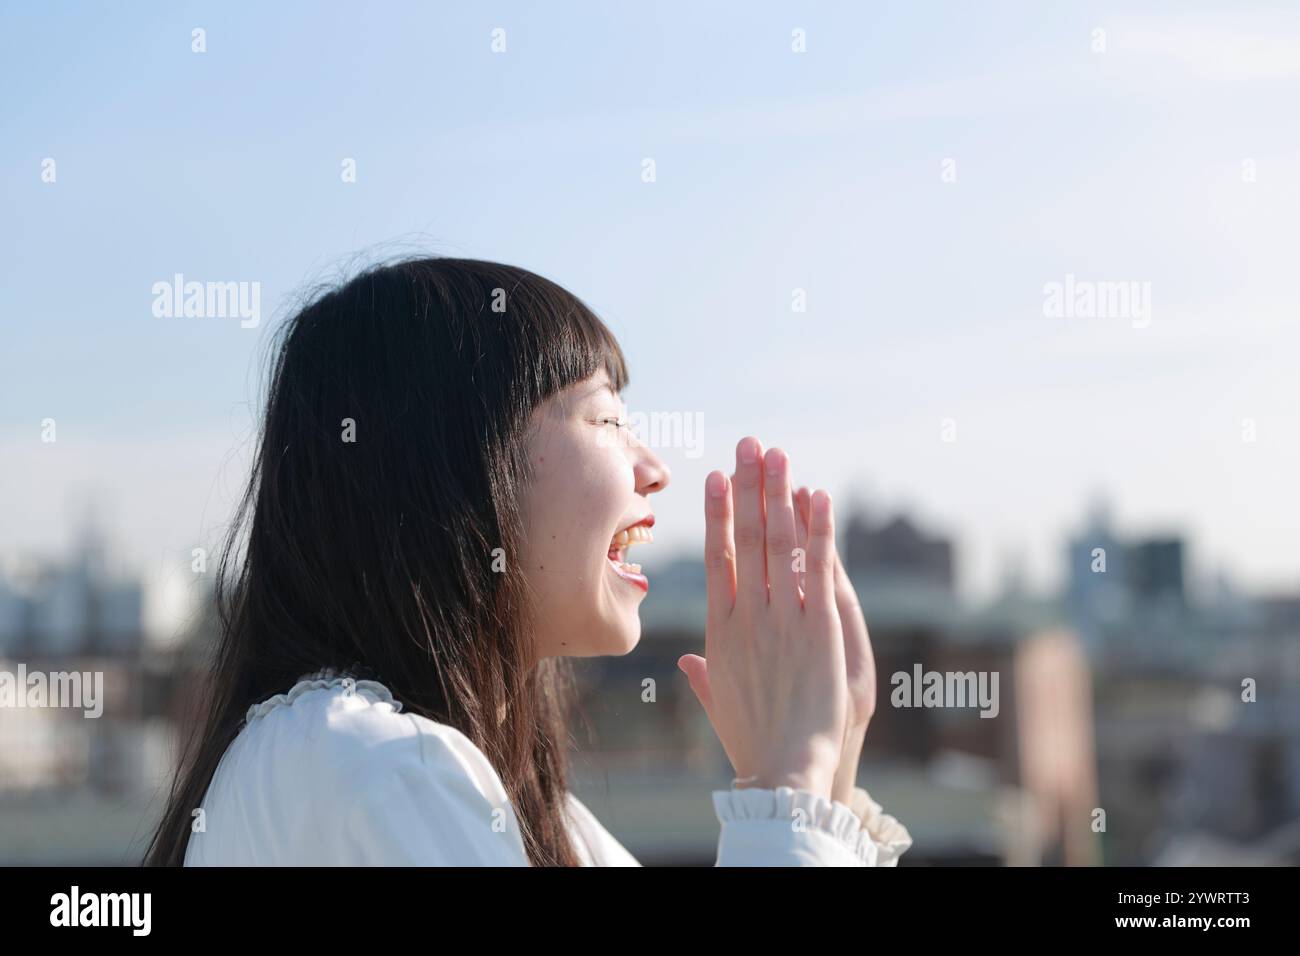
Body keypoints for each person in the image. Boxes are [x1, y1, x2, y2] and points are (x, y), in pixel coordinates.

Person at [145, 257, 912, 866]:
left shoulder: (527, 811)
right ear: (454, 464)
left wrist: (825, 787)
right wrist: (786, 792)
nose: (653, 467)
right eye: (608, 416)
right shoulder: (361, 763)